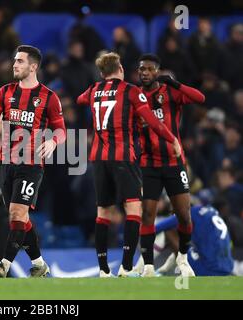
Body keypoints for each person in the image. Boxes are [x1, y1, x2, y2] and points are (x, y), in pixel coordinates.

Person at [76, 52, 181, 277]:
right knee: (133, 209)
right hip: (124, 157)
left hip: (98, 159)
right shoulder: (132, 91)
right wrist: (172, 139)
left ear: (103, 73)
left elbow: (79, 100)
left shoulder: (94, 90)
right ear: (120, 68)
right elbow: (153, 121)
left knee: (103, 211)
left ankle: (103, 270)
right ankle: (125, 266)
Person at [0, 45, 66, 277]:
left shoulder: (48, 97)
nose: (14, 64)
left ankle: (3, 265)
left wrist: (54, 142)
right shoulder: (4, 92)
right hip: (7, 163)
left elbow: (61, 130)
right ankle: (39, 264)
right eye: (15, 61)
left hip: (32, 163)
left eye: (20, 61)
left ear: (33, 66)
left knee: (17, 213)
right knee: (20, 218)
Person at [137, 54, 205, 277]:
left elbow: (200, 98)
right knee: (147, 214)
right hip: (149, 164)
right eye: (141, 69)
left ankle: (183, 259)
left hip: (175, 163)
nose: (145, 72)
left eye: (149, 69)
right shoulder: (135, 96)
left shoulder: (170, 92)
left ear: (157, 71)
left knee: (184, 215)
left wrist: (175, 82)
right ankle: (148, 266)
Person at [135, 205, 234, 276]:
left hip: (209, 270)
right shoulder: (210, 211)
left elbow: (157, 228)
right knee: (185, 244)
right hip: (228, 267)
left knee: (168, 231)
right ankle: (161, 271)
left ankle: (139, 269)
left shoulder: (189, 213)